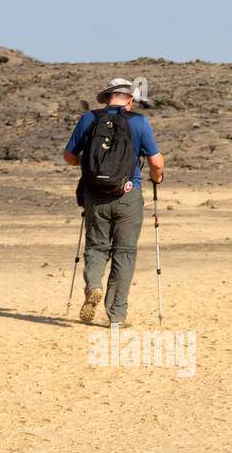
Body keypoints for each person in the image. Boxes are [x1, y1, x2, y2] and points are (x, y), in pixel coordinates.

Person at [63, 78, 164, 325]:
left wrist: (87, 165)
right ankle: (116, 315)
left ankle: (94, 285)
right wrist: (157, 179)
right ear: (130, 99)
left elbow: (69, 156)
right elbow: (156, 162)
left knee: (96, 247)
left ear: (106, 98)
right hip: (128, 194)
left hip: (94, 194)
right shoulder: (139, 122)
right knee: (125, 253)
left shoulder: (89, 119)